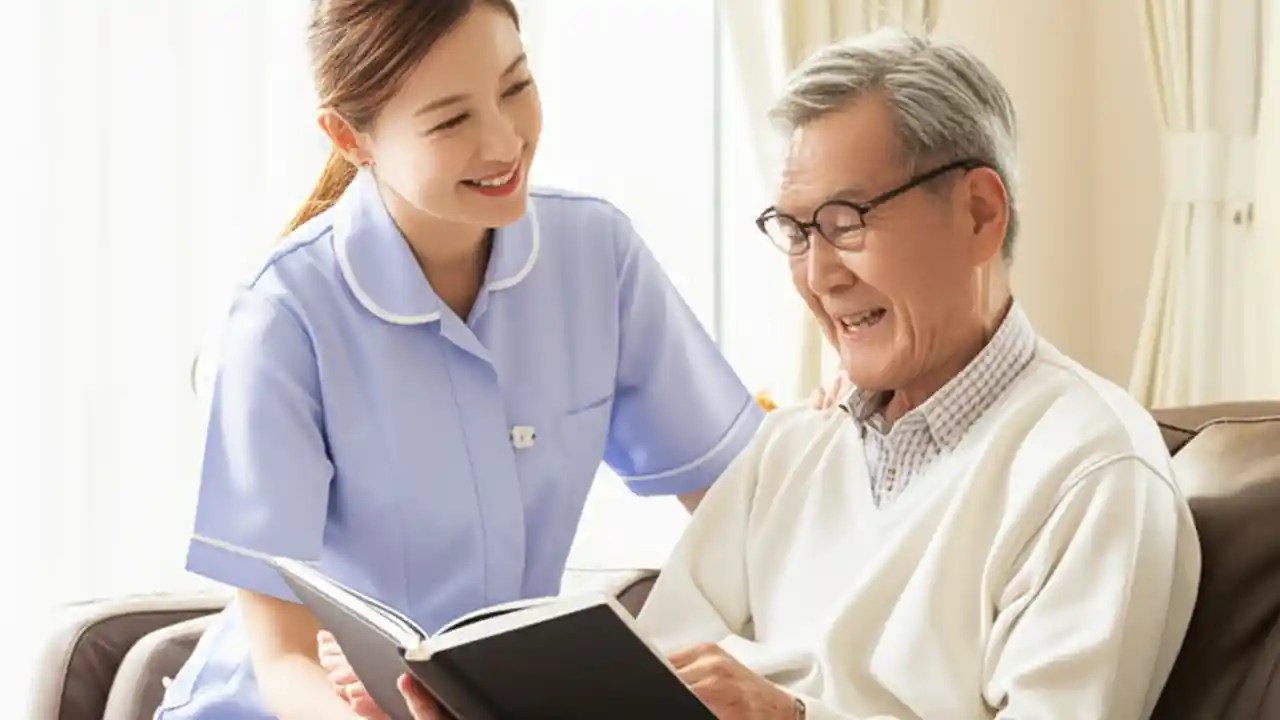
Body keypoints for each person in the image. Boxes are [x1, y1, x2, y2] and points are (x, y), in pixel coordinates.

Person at [333, 28, 1202, 720]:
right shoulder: (791, 452)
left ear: (978, 213)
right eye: (795, 230)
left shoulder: (1092, 475)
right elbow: (649, 692)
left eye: (846, 219)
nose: (818, 275)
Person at [154, 1, 768, 717]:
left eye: (515, 87)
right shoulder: (283, 314)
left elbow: (744, 515)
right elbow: (281, 658)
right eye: (451, 121)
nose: (505, 143)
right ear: (349, 137)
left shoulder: (596, 257)